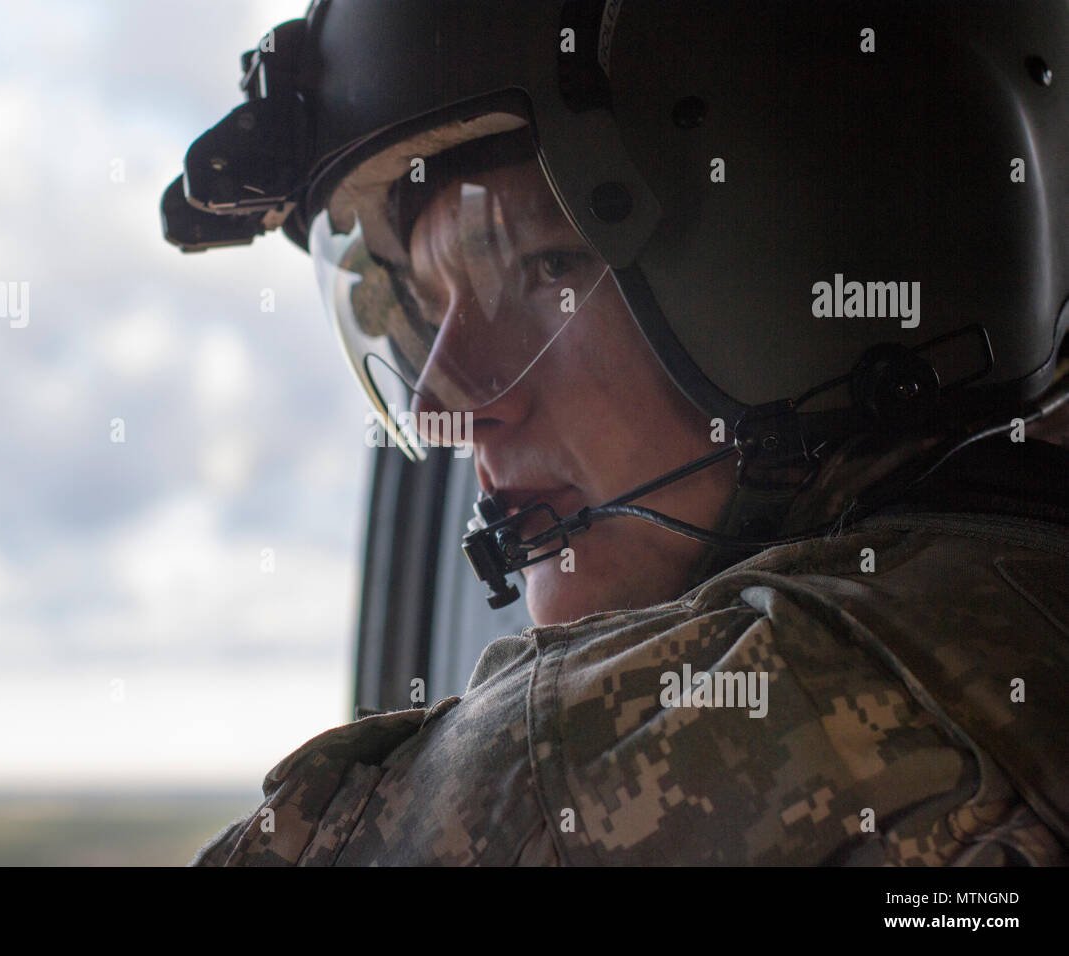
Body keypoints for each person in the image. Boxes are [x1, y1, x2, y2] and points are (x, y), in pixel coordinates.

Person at [162, 0, 1069, 864]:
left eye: (547, 268)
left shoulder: (720, 713)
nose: (446, 404)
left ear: (805, 242)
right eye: (432, 313)